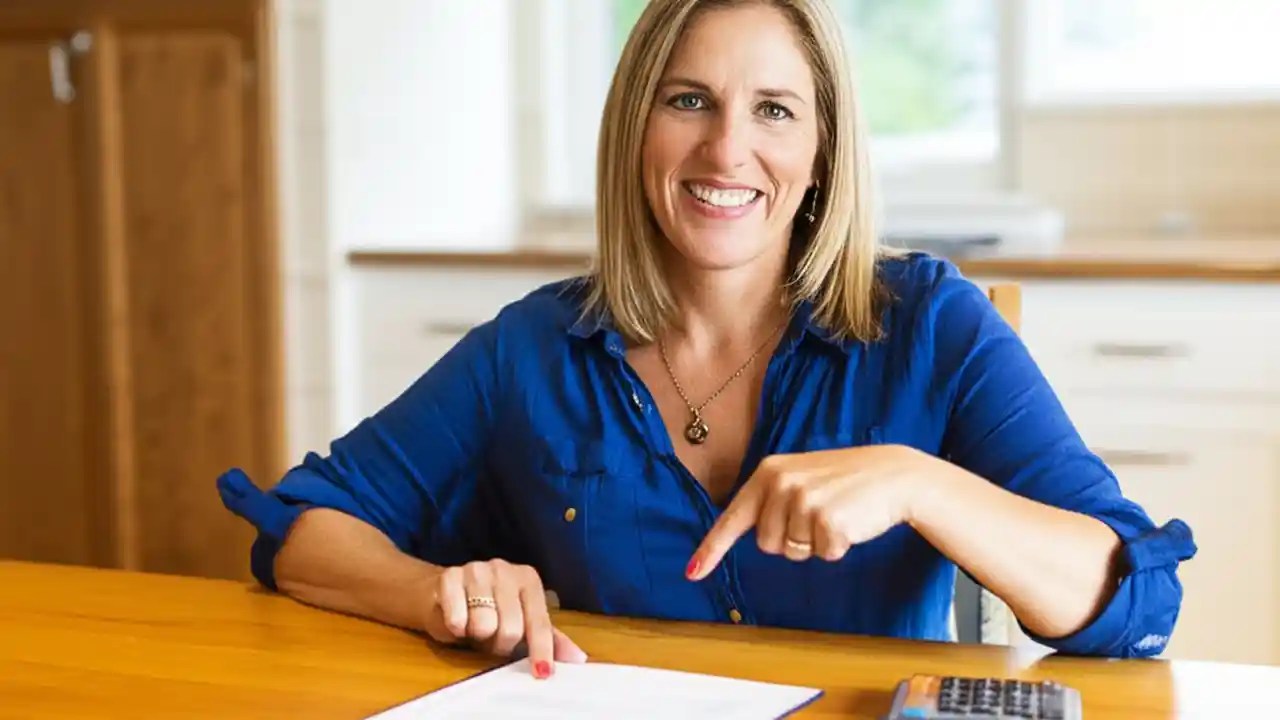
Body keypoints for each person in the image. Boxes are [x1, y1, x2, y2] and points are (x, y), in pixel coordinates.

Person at [218, 0, 1195, 680]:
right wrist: (436, 592)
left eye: (772, 110)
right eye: (687, 100)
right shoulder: (531, 350)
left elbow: (1135, 610)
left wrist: (919, 484)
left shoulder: (930, 327)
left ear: (819, 156)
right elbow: (303, 533)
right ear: (634, 129)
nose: (725, 150)